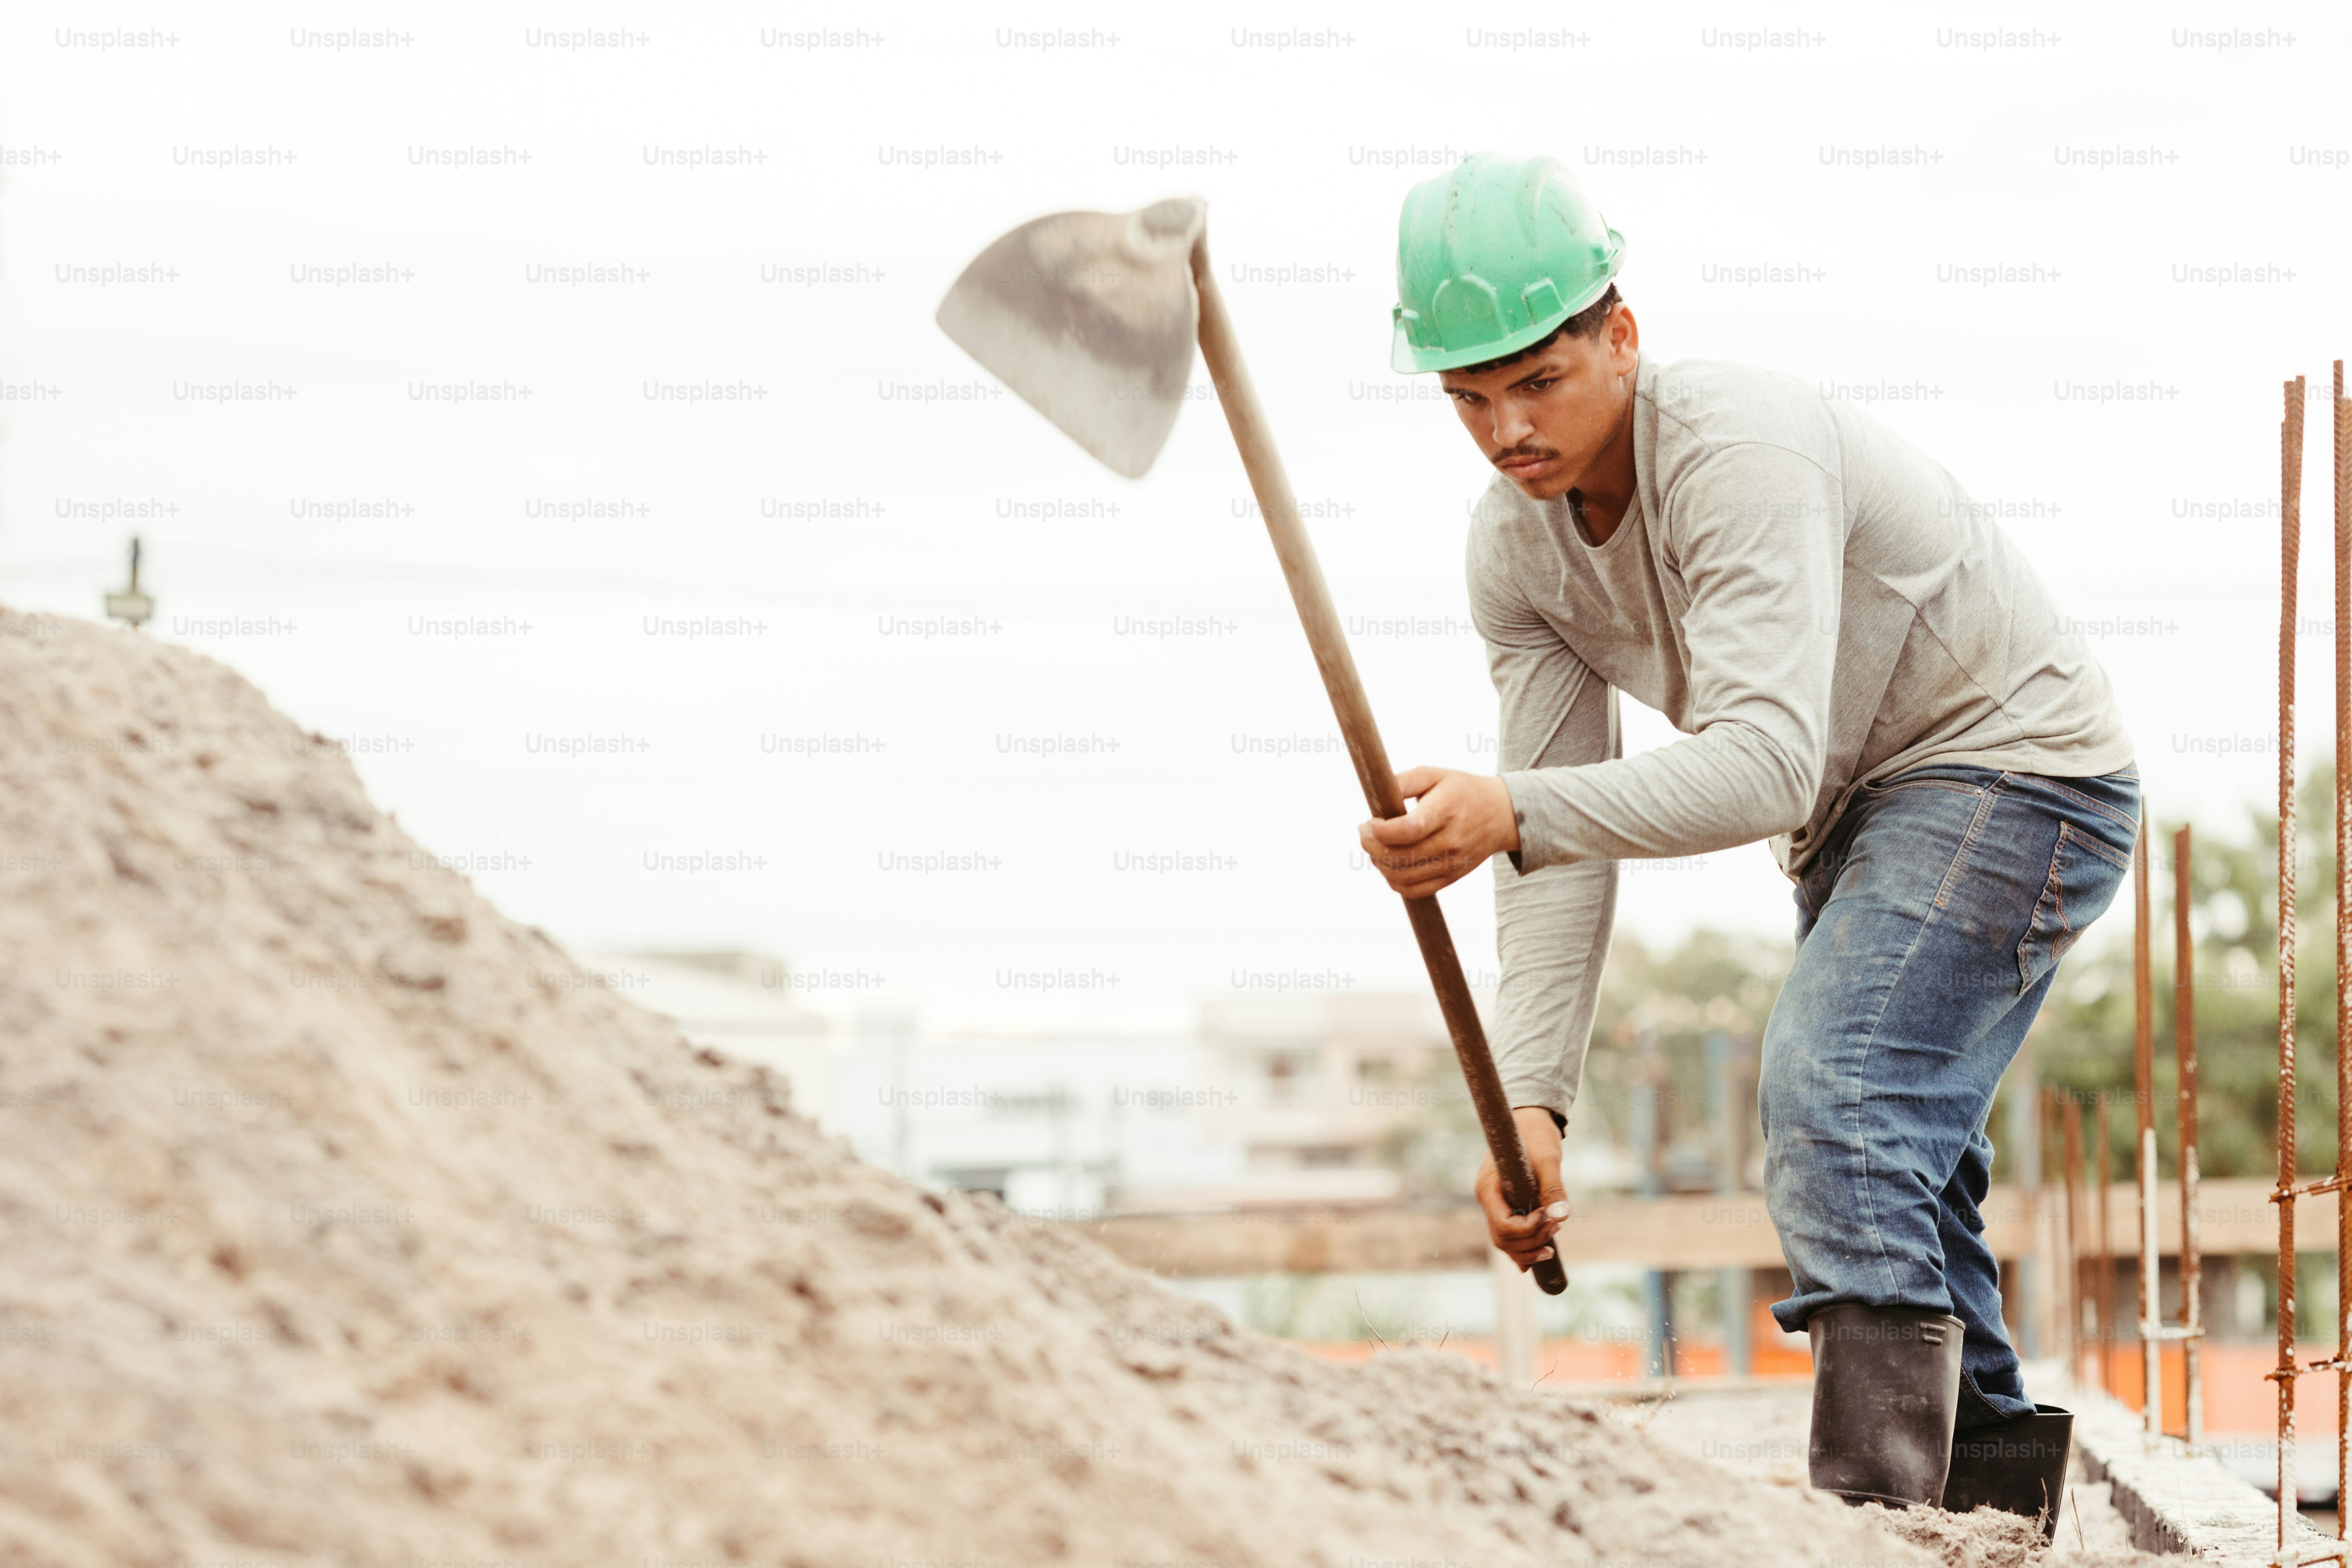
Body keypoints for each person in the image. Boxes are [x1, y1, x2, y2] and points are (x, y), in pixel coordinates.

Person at [1354, 151, 2135, 1533]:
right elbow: (1557, 833)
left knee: (1837, 1094)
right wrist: (1532, 1100)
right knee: (1902, 1170)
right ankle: (1996, 1529)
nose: (1504, 430)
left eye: (1537, 381)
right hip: (1867, 814)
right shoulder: (1515, 551)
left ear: (1622, 337)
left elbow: (1762, 764)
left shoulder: (1735, 452)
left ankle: (1880, 1532)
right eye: (1467, 397)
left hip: (2016, 772)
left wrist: (1512, 808)